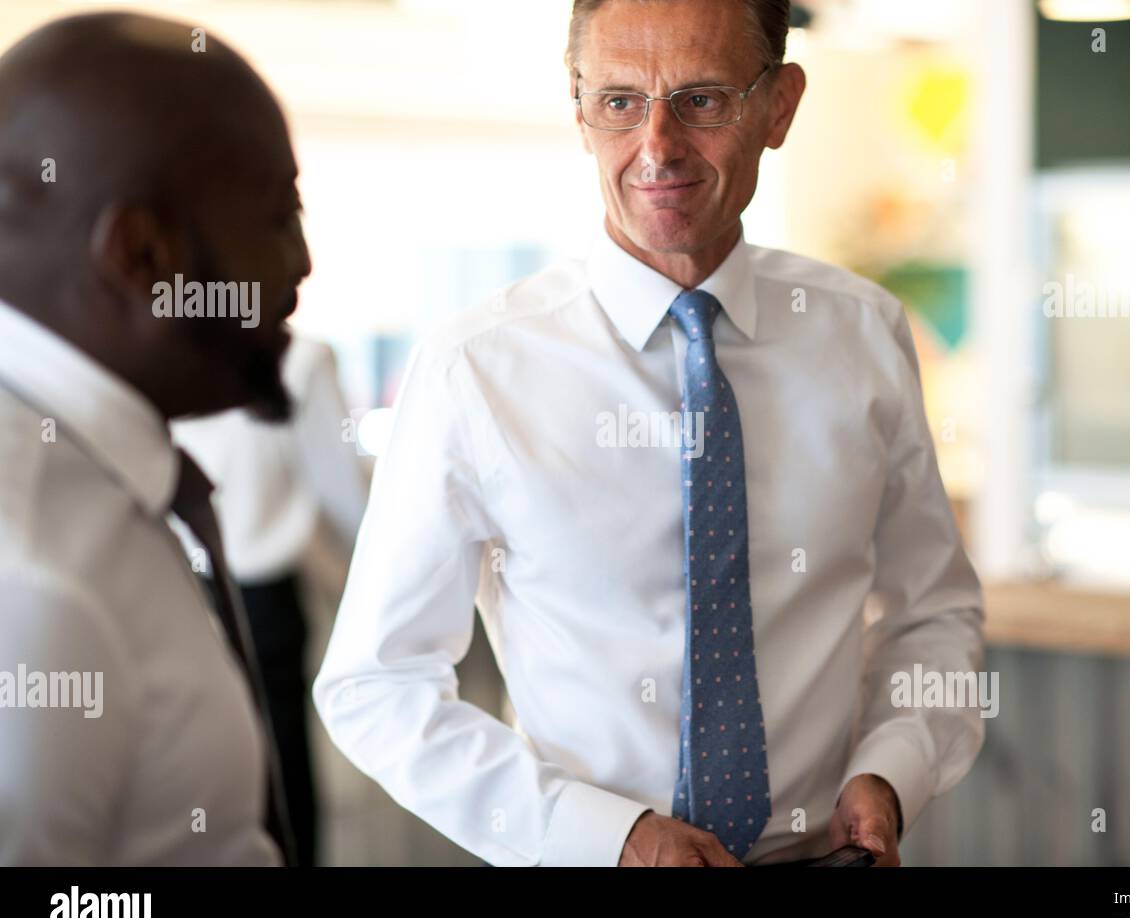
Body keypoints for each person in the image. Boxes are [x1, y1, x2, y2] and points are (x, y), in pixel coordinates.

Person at [314, 0, 986, 867]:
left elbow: (933, 610)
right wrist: (609, 840)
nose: (658, 147)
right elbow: (377, 684)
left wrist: (893, 769)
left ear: (779, 105)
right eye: (621, 101)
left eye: (702, 99)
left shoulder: (864, 335)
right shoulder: (474, 370)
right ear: (579, 106)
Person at [0, 12, 311, 864]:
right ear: (144, 255)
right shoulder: (31, 578)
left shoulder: (91, 490)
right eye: (281, 214)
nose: (303, 263)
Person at [172, 334, 372, 866]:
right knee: (280, 772)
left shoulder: (159, 339)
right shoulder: (301, 358)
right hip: (262, 601)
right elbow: (343, 493)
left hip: (180, 586)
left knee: (203, 770)